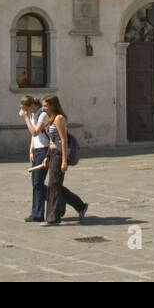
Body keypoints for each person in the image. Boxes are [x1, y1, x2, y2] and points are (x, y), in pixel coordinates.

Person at [39, 95, 87, 225]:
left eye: (45, 105)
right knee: (55, 185)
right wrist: (47, 157)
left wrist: (64, 160)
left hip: (60, 154)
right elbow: (51, 141)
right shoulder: (50, 119)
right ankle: (80, 206)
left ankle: (53, 218)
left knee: (53, 186)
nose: (43, 108)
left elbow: (64, 140)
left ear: (53, 105)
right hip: (53, 153)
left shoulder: (59, 119)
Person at [19, 96, 49, 223]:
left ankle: (38, 213)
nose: (23, 111)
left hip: (45, 149)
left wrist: (25, 118)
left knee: (38, 182)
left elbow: (35, 132)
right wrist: (31, 150)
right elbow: (33, 137)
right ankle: (57, 199)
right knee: (36, 183)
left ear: (31, 106)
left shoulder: (42, 115)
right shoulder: (32, 115)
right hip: (37, 150)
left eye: (25, 108)